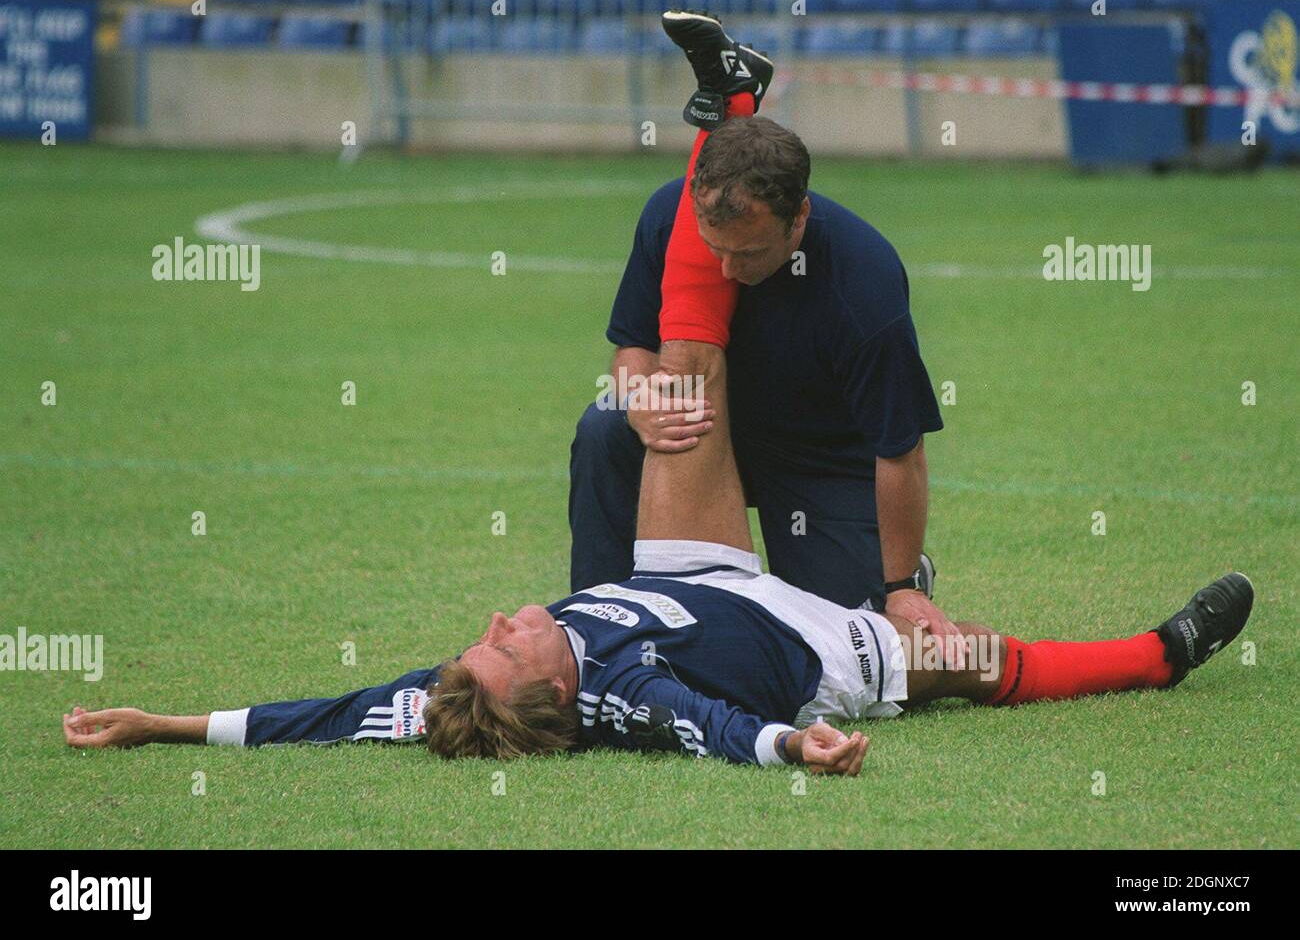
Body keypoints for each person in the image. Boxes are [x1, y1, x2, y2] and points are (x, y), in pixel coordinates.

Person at [62, 338, 1254, 776]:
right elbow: (716, 731)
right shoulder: (624, 697)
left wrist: (160, 722)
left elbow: (316, 715)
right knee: (989, 664)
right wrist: (803, 741)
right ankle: (1159, 654)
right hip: (828, 647)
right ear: (555, 690)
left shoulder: (451, 699)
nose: (497, 620)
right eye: (503, 641)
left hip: (689, 567)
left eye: (486, 638)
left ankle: (723, 119)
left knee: (680, 381)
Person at [570, 11, 950, 658]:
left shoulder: (866, 281)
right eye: (712, 249)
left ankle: (887, 571)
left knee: (848, 644)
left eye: (745, 255)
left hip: (822, 463)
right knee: (604, 426)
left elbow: (900, 451)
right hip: (720, 434)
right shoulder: (671, 216)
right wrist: (636, 400)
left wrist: (899, 582)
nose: (723, 269)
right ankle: (599, 630)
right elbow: (632, 343)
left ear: (798, 216)